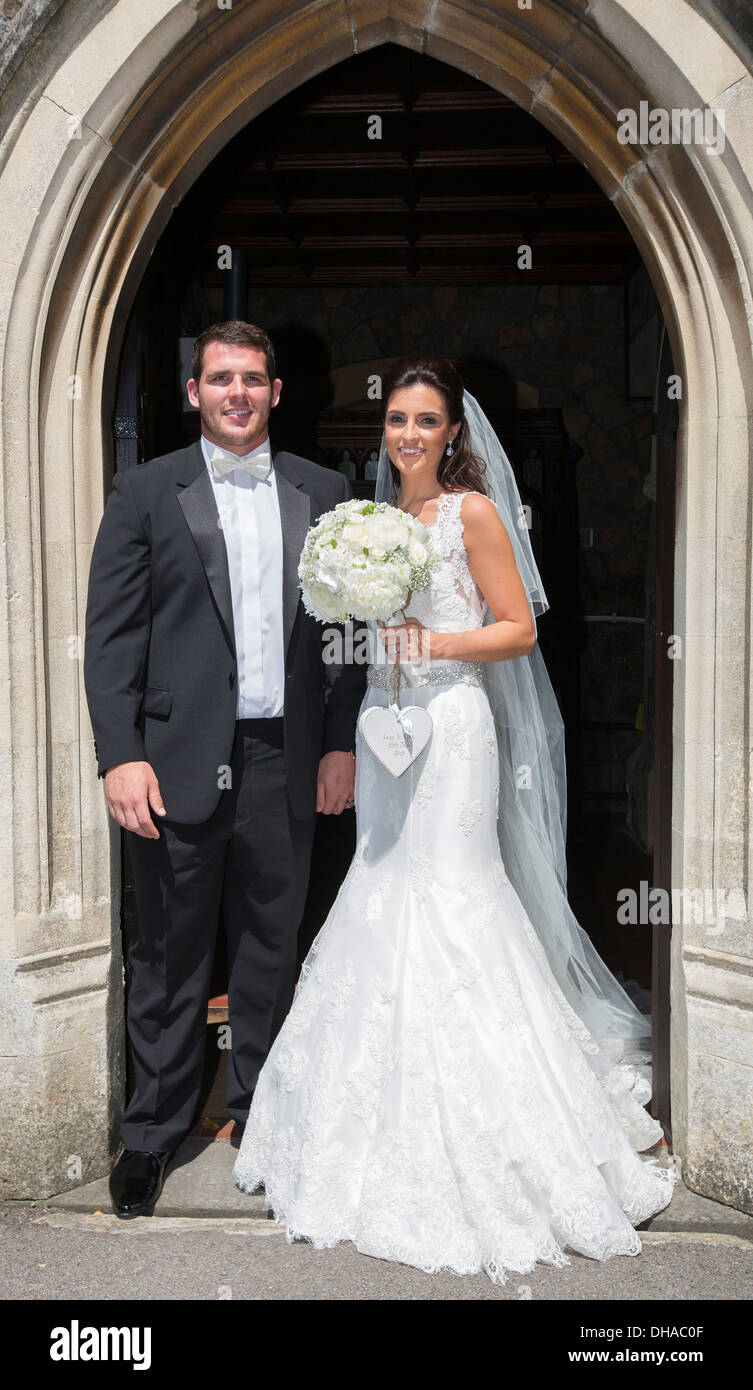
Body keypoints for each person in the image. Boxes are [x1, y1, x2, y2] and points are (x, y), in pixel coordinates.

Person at [232, 355, 676, 1285]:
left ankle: (502, 1128)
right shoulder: (370, 524)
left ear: (452, 434)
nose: (408, 435)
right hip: (385, 729)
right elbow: (349, 635)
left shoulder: (472, 515)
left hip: (455, 728)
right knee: (378, 889)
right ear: (381, 428)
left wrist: (432, 642)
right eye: (396, 419)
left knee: (457, 898)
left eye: (425, 421)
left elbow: (517, 627)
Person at [84, 320, 365, 1219]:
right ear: (193, 393)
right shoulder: (143, 489)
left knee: (269, 947)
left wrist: (339, 741)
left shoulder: (323, 489)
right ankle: (151, 1135)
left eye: (252, 378)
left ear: (277, 392)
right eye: (219, 379)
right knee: (167, 953)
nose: (236, 392)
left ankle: (263, 1116)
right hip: (172, 762)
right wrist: (120, 755)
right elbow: (113, 638)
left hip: (287, 754)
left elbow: (342, 634)